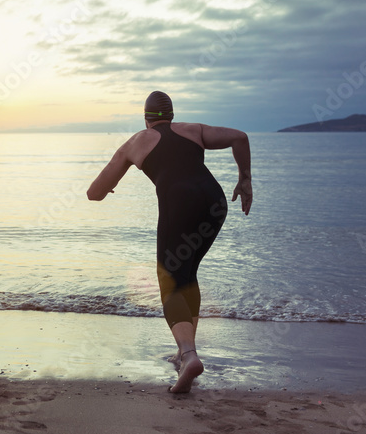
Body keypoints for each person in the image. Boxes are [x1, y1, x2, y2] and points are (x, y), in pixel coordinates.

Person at [87, 91, 252, 393]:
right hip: (214, 202)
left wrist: (109, 186)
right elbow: (239, 137)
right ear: (172, 115)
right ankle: (184, 351)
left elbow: (94, 192)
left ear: (146, 118)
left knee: (169, 280)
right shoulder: (194, 131)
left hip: (180, 203)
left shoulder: (135, 143)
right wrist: (245, 179)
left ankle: (189, 355)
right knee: (187, 274)